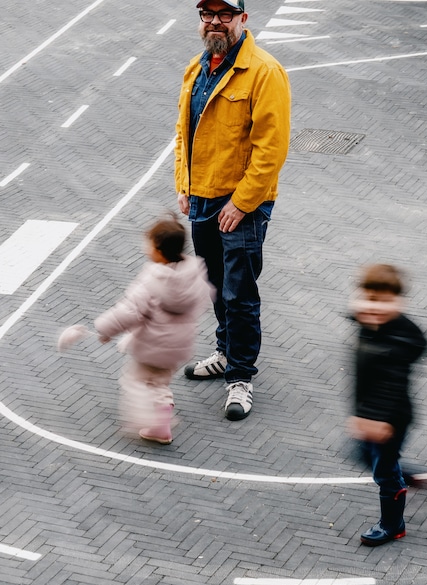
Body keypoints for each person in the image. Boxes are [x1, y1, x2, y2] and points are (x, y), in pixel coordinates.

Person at [175, 0, 291, 421]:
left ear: (243, 18)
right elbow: (183, 131)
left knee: (239, 292)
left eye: (225, 14)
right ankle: (226, 352)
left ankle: (240, 376)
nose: (215, 22)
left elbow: (271, 148)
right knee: (215, 284)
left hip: (242, 203)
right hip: (202, 198)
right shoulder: (197, 67)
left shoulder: (264, 71)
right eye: (208, 14)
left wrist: (242, 204)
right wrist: (184, 185)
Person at [58, 217, 213, 445]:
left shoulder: (152, 281)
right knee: (159, 380)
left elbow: (129, 312)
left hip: (152, 347)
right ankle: (163, 403)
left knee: (135, 382)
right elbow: (205, 297)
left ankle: (157, 422)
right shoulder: (192, 275)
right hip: (178, 347)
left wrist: (104, 328)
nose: (145, 247)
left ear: (159, 251)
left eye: (148, 243)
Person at [346, 264, 427, 547]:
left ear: (398, 302)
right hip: (367, 415)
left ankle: (392, 525)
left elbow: (391, 387)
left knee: (383, 473)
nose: (375, 308)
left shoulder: (398, 341)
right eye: (370, 299)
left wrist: (375, 420)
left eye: (383, 302)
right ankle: (403, 476)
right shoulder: (371, 325)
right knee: (363, 456)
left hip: (388, 420)